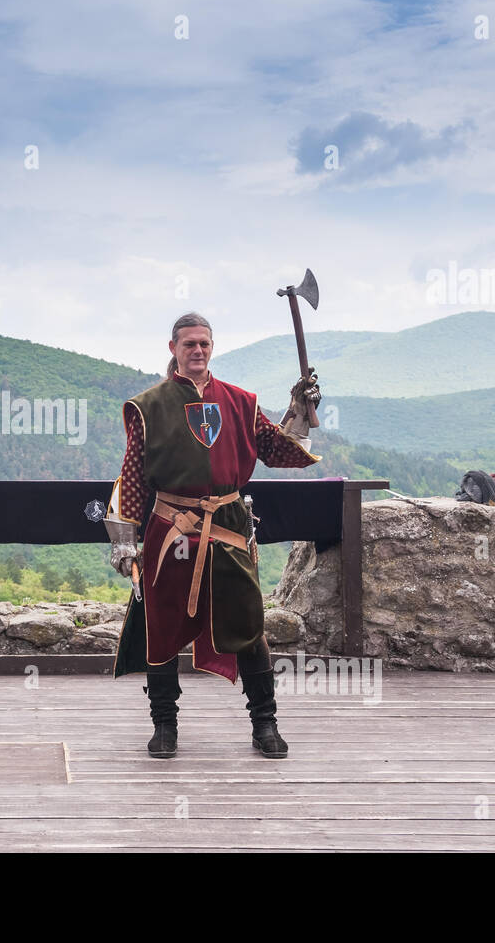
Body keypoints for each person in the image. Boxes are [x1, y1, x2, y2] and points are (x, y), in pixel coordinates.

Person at [105, 312, 321, 759]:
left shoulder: (240, 402)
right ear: (173, 349)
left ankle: (266, 724)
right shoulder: (149, 406)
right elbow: (132, 478)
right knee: (161, 630)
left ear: (212, 347)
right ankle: (164, 726)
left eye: (204, 343)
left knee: (248, 628)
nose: (198, 350)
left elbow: (277, 448)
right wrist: (125, 543)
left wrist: (299, 409)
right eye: (189, 344)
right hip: (171, 531)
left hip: (228, 530)